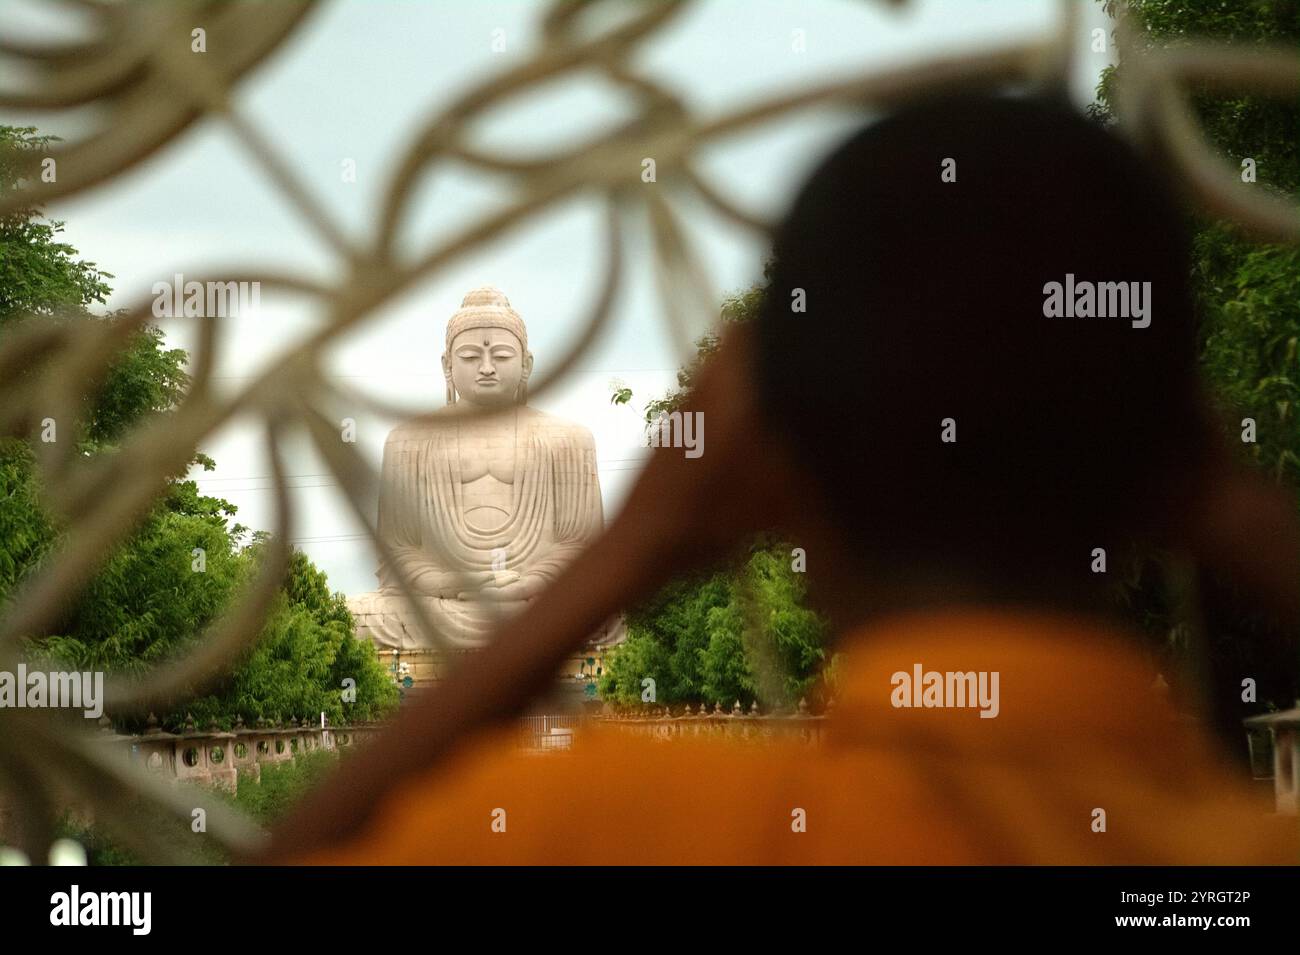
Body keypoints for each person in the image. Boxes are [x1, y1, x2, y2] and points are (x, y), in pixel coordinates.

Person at [266, 92, 1300, 865]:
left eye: (500, 352)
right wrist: (1230, 500)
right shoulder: (1239, 850)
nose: (486, 366)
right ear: (1182, 454)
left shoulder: (607, 818)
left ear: (766, 478)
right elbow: (405, 565)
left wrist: (622, 553)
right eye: (471, 354)